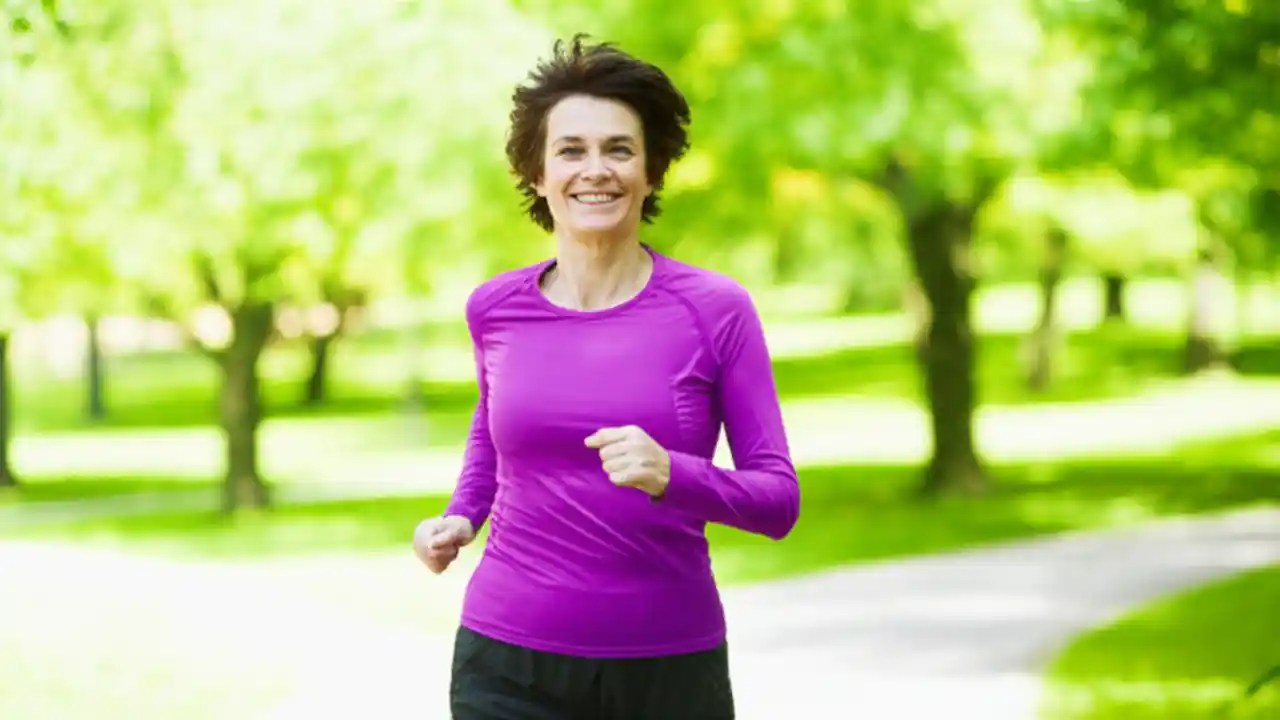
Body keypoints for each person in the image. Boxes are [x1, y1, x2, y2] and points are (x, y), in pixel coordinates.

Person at [412, 34, 800, 720]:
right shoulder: (495, 309)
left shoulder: (715, 310)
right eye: (571, 150)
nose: (596, 170)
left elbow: (778, 500)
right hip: (505, 665)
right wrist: (461, 516)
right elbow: (493, 434)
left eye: (619, 150)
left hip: (666, 668)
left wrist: (673, 474)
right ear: (538, 174)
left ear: (651, 172)